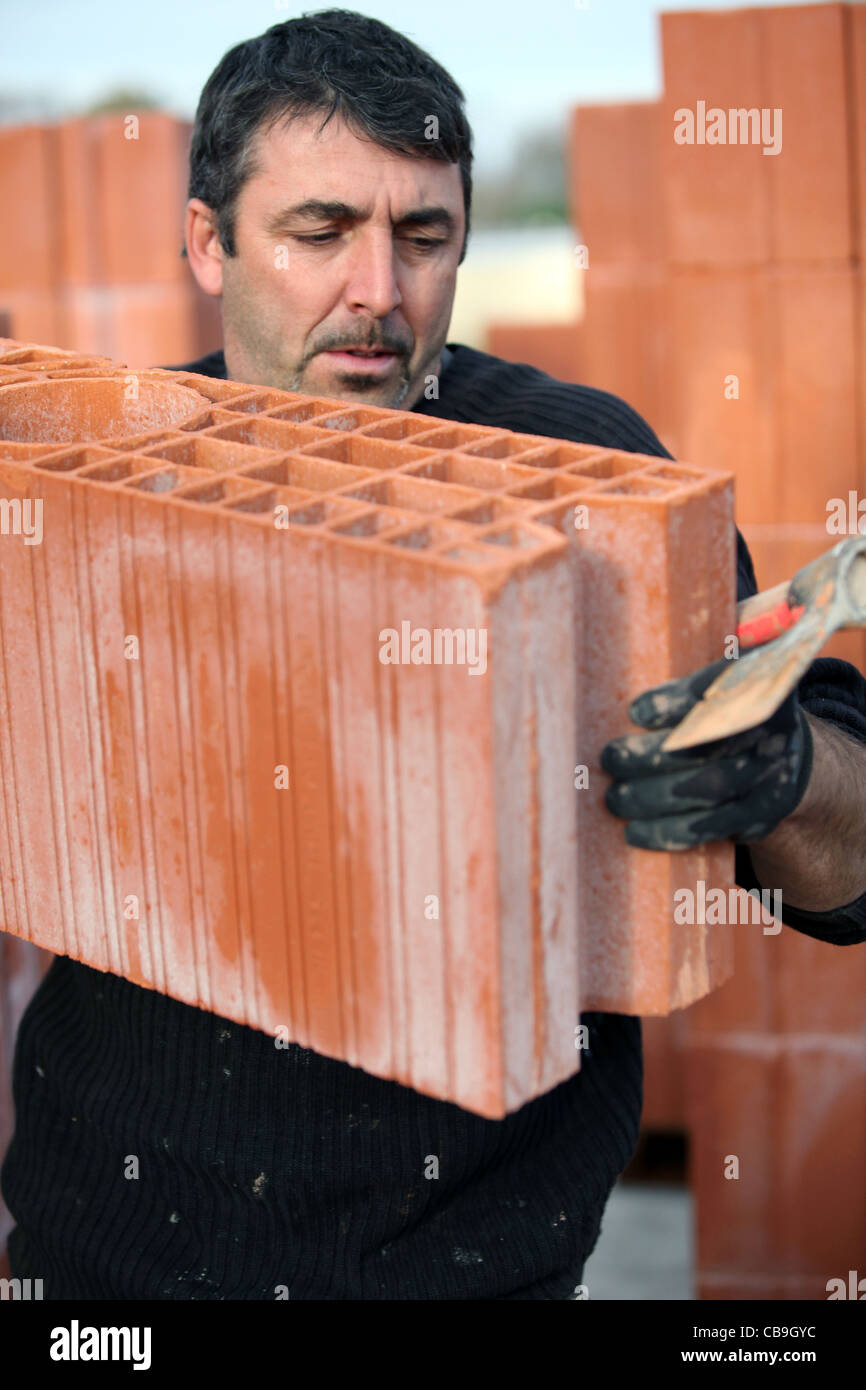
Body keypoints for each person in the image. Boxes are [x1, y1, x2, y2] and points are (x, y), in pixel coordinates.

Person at [3, 9, 865, 1302]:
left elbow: (848, 863)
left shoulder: (590, 467)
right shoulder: (101, 480)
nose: (377, 293)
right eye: (318, 232)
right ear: (205, 240)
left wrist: (785, 771)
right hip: (110, 1263)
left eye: (422, 237)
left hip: (474, 1271)